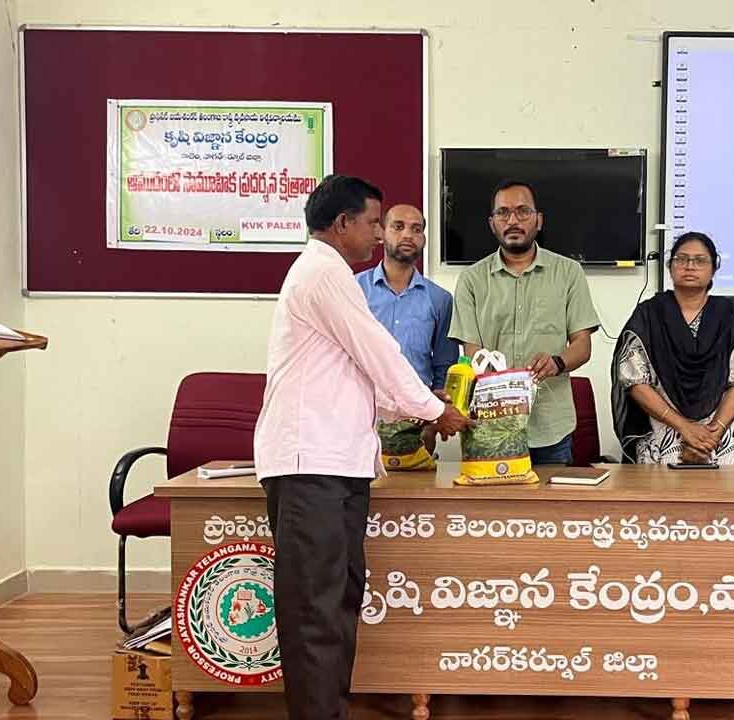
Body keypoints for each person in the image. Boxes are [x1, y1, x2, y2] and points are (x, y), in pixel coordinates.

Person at [253, 175, 471, 720]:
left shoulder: (330, 274)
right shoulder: (324, 273)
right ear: (342, 223)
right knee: (315, 609)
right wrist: (434, 410)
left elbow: (360, 376)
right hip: (310, 465)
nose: (379, 234)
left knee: (340, 598)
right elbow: (381, 353)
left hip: (338, 464)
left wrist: (423, 404)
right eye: (374, 222)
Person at [448, 179, 600, 465]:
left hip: (550, 427)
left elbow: (583, 345)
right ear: (492, 223)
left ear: (538, 220)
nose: (513, 220)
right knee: (492, 497)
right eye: (503, 213)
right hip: (491, 425)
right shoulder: (471, 279)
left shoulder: (569, 272)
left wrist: (557, 362)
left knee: (550, 496)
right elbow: (472, 351)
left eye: (523, 211)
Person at [612, 231, 734, 465]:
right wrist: (684, 427)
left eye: (700, 260)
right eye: (682, 259)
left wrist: (713, 434)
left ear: (714, 269)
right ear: (670, 267)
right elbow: (635, 382)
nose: (690, 266)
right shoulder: (648, 315)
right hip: (662, 435)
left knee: (725, 488)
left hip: (721, 437)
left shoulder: (730, 316)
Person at [356, 204, 456, 451]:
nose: (408, 235)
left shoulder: (440, 299)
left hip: (417, 423)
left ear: (424, 239)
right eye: (398, 227)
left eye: (416, 229)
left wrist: (434, 419)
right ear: (381, 233)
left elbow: (444, 366)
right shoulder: (355, 290)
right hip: (361, 419)